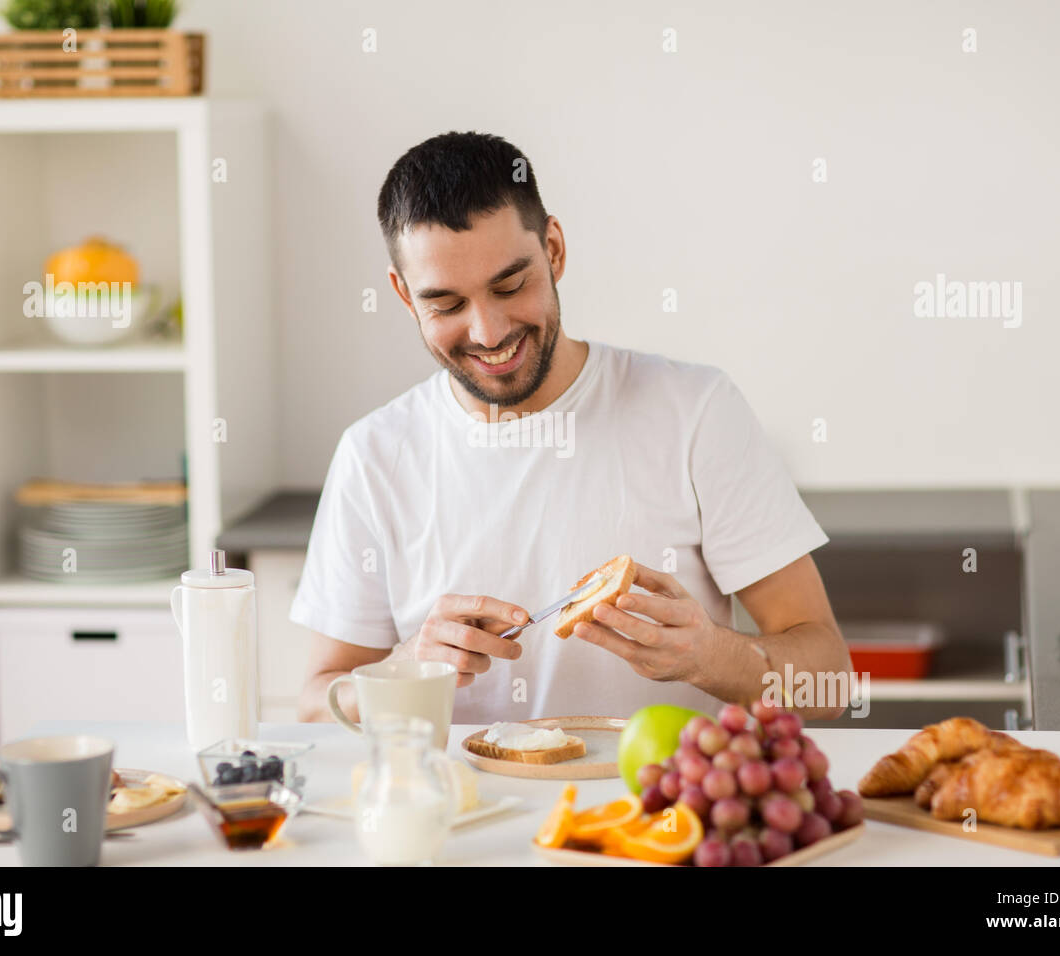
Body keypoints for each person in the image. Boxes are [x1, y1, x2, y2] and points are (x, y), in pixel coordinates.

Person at [294, 131, 850, 724]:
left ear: (553, 249)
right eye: (447, 305)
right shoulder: (375, 454)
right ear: (404, 295)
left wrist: (709, 655)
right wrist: (404, 672)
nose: (487, 332)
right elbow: (311, 705)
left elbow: (831, 685)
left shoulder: (696, 410)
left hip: (660, 813)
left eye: (510, 286)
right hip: (467, 815)